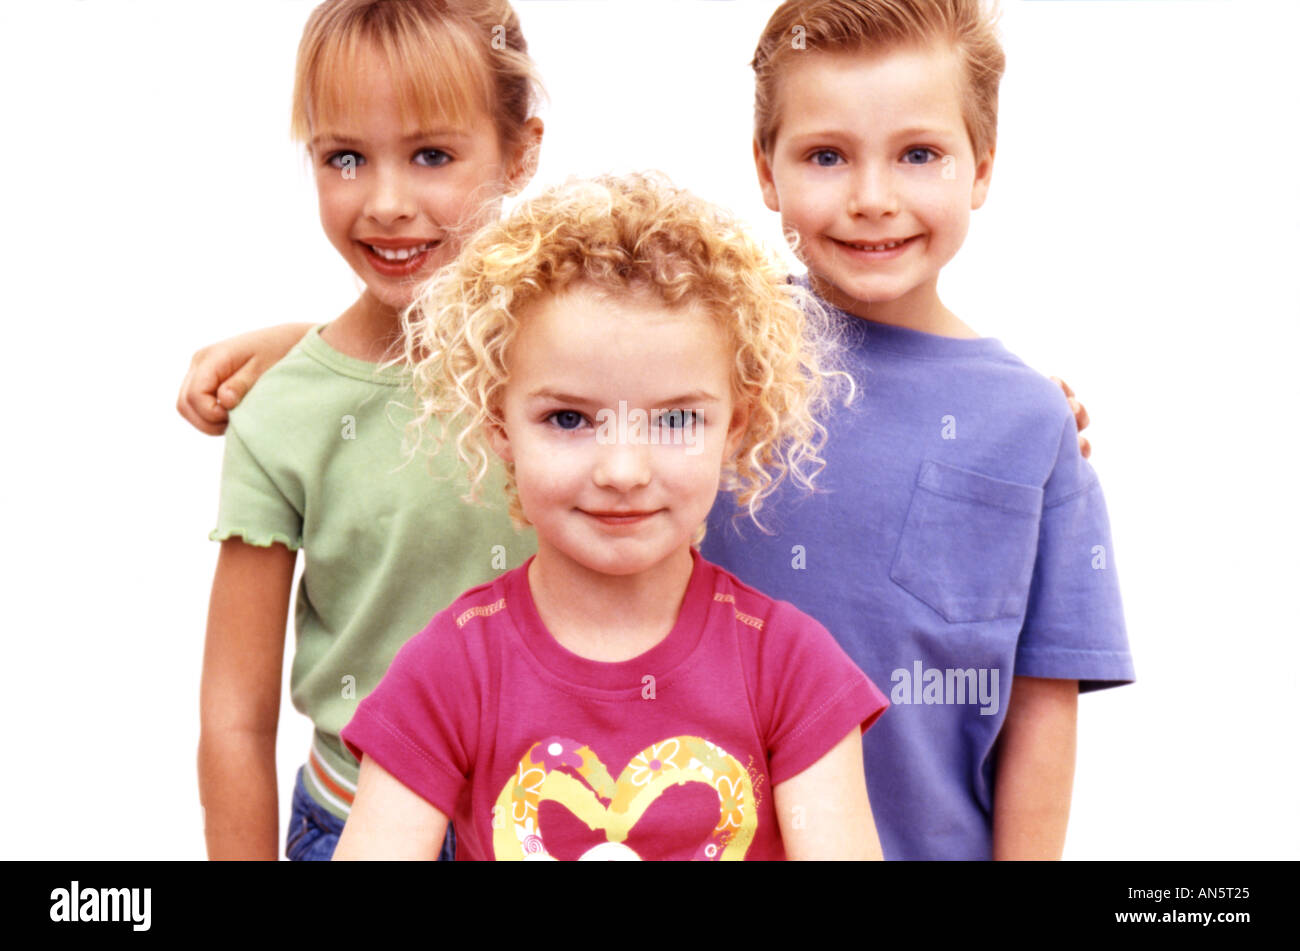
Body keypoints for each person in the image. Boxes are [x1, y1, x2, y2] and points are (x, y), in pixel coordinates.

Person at [333, 173, 890, 860]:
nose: (622, 471)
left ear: (735, 425)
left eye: (676, 418)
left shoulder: (791, 668)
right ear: (499, 424)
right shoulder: (449, 669)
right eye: (569, 418)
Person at [699, 0, 1134, 860]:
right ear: (765, 169)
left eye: (920, 155)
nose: (872, 199)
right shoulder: (701, 357)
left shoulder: (1030, 424)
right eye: (826, 155)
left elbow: (1043, 706)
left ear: (981, 169)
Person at [198, 0, 543, 861]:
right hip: (351, 824)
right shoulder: (282, 413)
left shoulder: (589, 363)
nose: (387, 203)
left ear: (521, 151)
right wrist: (304, 364)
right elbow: (234, 718)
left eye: (432, 155)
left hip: (562, 822)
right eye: (345, 158)